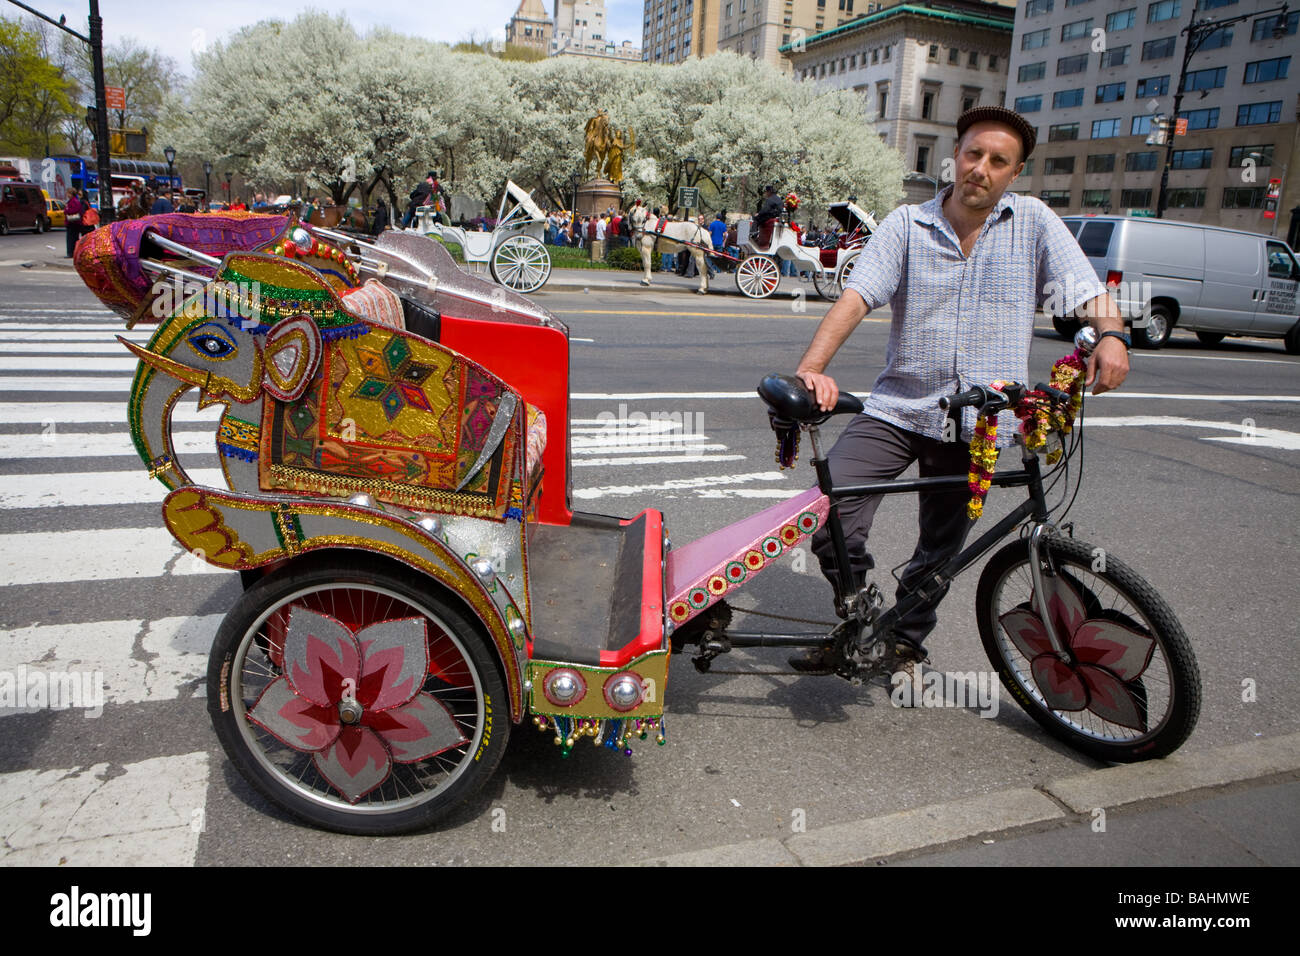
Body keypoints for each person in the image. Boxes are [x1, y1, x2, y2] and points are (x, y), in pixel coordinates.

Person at [788, 106, 1130, 684]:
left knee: (941, 549)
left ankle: (899, 640)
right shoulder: (906, 224)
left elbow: (1085, 290)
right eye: (973, 154)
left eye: (998, 161)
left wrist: (1114, 336)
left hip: (980, 419)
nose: (982, 169)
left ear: (1014, 173)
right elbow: (858, 296)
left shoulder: (1035, 222)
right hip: (898, 407)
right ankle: (860, 612)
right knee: (832, 513)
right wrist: (811, 369)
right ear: (957, 157)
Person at [753, 184, 782, 249]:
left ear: (769, 192)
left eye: (766, 192)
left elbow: (765, 210)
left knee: (756, 218)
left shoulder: (770, 200)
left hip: (770, 217)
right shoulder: (778, 199)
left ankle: (753, 233)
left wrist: (758, 214)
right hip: (776, 217)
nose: (765, 194)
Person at [63, 189, 83, 258]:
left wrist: (67, 210)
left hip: (73, 222)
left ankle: (71, 252)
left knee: (71, 238)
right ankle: (72, 252)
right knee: (73, 238)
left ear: (71, 194)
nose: (67, 195)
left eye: (68, 193)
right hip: (73, 222)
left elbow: (74, 210)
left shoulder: (74, 201)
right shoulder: (73, 201)